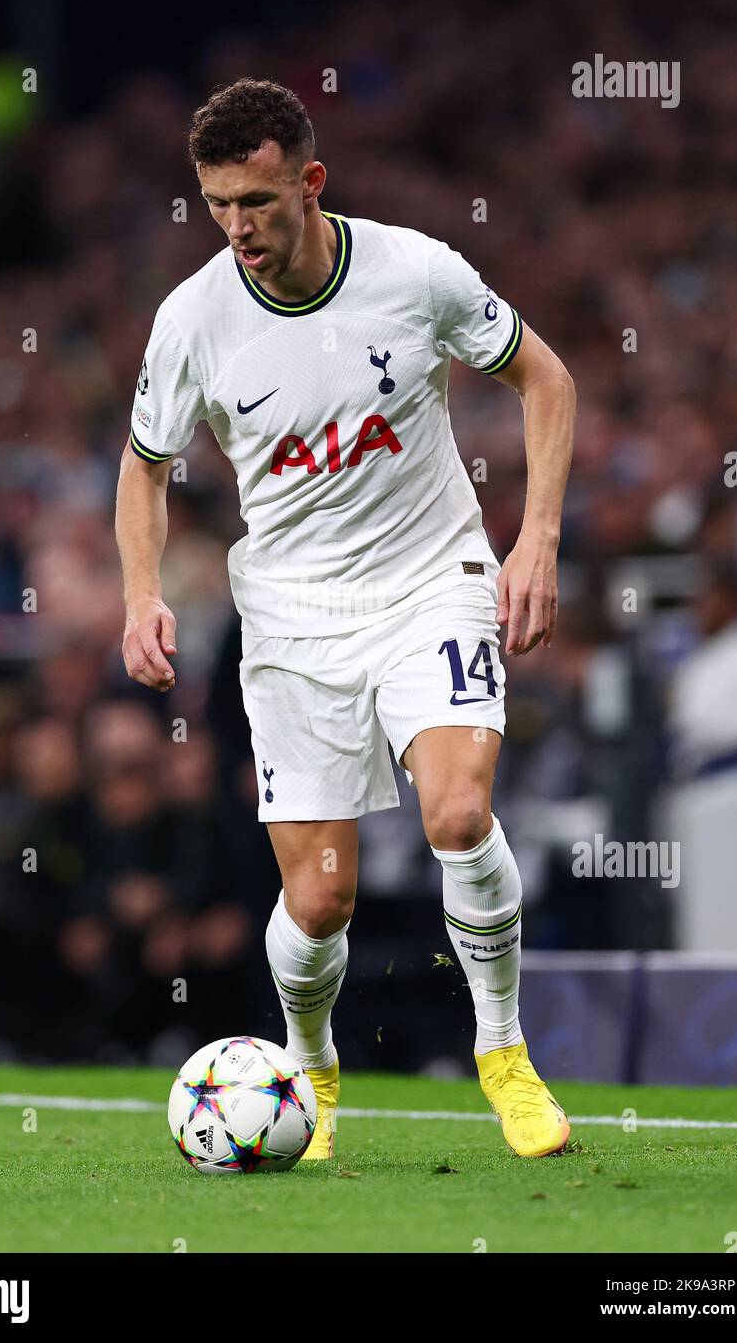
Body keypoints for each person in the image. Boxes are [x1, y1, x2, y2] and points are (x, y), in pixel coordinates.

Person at [115, 78, 576, 1159]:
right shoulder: (193, 319)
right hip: (292, 618)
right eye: (219, 204)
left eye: (260, 202)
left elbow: (544, 381)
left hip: (431, 578)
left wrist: (536, 538)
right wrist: (140, 591)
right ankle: (308, 1066)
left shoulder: (416, 273)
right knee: (319, 902)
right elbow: (143, 470)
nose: (239, 228)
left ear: (310, 183)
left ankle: (502, 1054)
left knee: (458, 814)